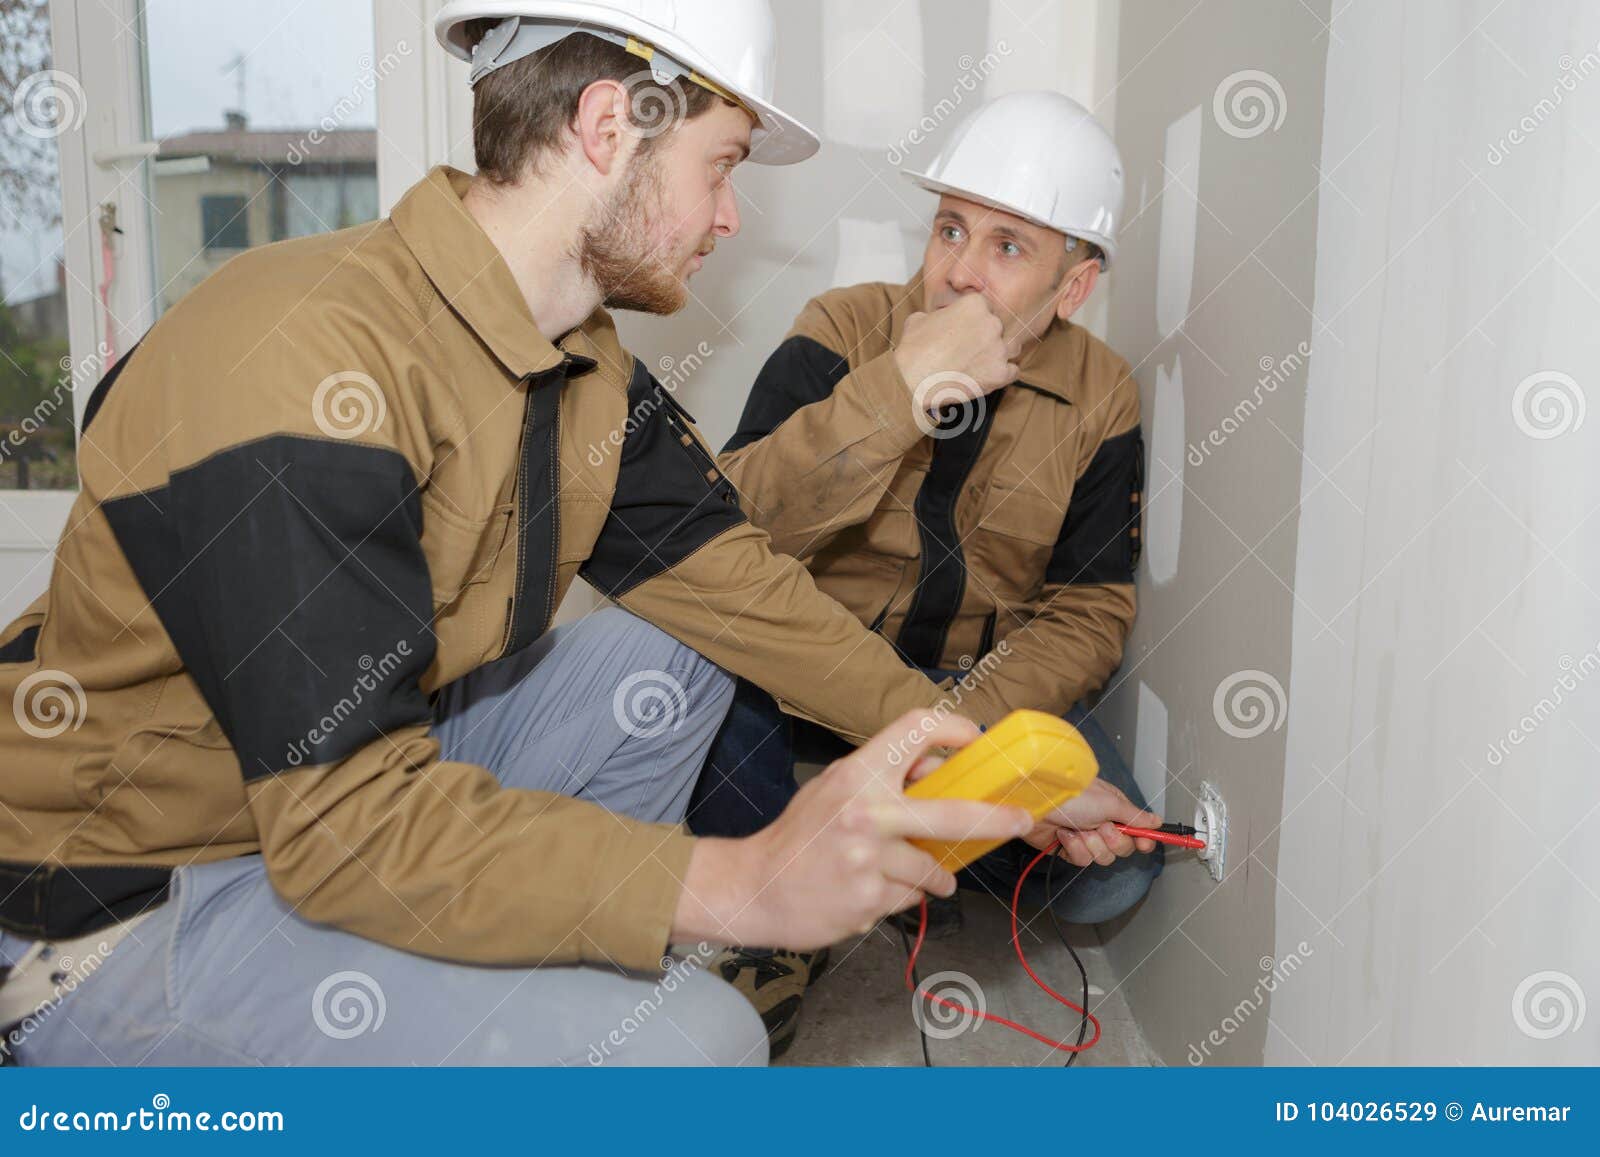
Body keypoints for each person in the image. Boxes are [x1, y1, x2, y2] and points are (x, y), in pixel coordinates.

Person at [0, 1, 1037, 1067]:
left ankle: (547, 994)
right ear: (605, 127)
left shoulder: (575, 362)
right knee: (698, 1046)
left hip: (306, 804)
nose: (727, 217)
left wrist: (987, 754)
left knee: (678, 648)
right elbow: (348, 826)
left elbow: (740, 588)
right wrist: (741, 883)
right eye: (719, 166)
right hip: (126, 902)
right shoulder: (304, 364)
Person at [690, 92, 1166, 1054]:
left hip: (964, 695)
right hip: (800, 679)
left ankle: (868, 846)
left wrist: (967, 738)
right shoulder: (843, 328)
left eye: (1007, 246)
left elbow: (1084, 612)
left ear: (1072, 288)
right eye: (951, 228)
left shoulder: (1101, 395)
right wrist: (894, 394)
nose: (956, 273)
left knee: (1110, 873)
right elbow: (727, 535)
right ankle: (861, 853)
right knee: (695, 710)